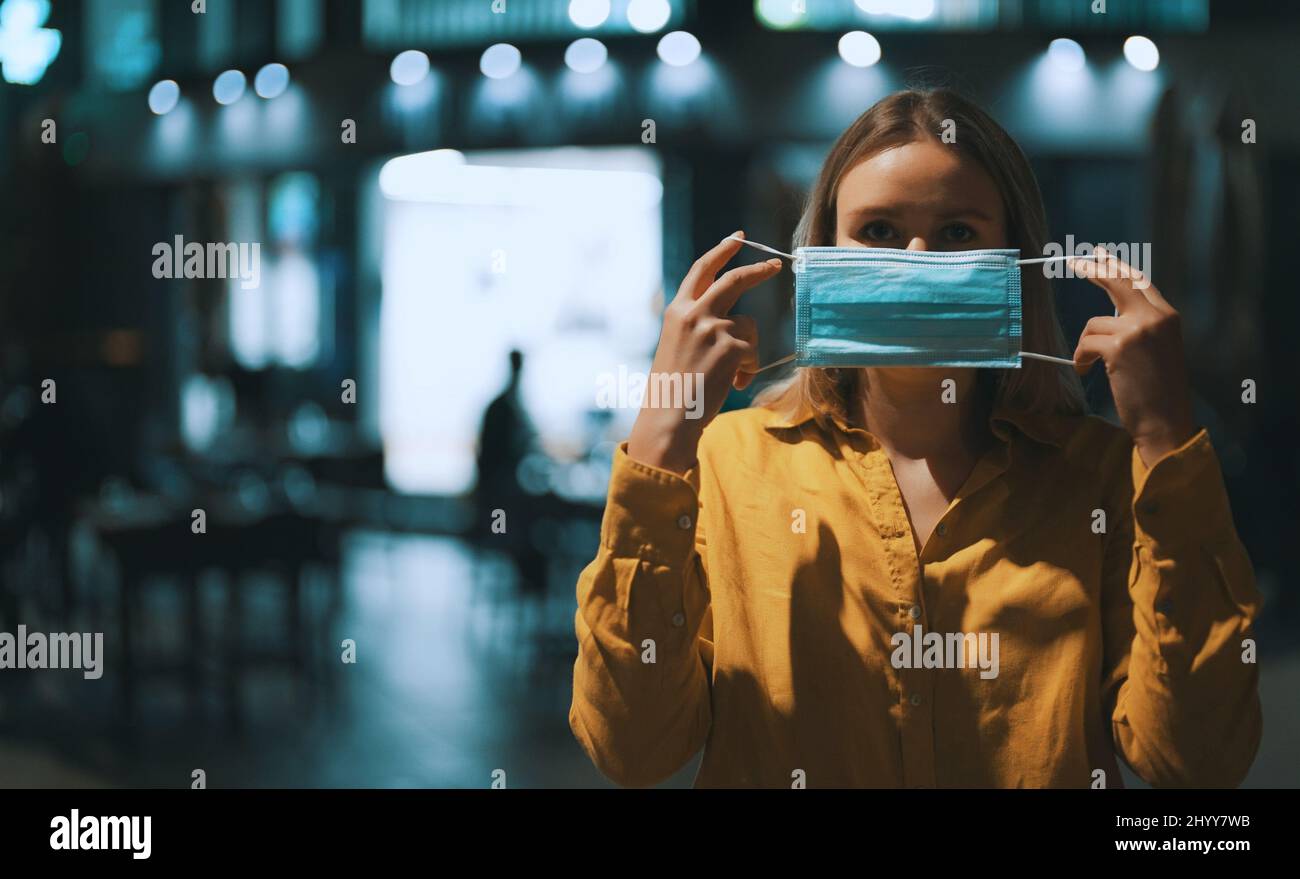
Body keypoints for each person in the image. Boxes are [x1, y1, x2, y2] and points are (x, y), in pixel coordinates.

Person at [568, 89, 1262, 788]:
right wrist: (662, 430)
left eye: (958, 231)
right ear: (821, 255)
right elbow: (631, 747)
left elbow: (1196, 763)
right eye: (878, 231)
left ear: (1012, 260)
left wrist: (1168, 436)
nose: (919, 259)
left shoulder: (1101, 477)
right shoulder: (727, 463)